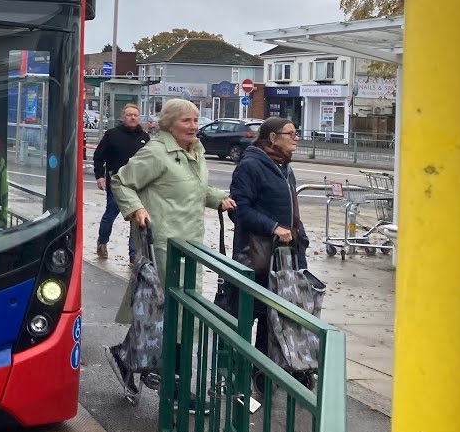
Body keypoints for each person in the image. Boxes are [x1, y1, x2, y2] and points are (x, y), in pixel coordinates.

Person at [105, 98, 236, 397]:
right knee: (174, 312)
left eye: (195, 120)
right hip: (164, 243)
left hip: (190, 243)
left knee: (169, 311)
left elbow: (194, 189)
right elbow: (121, 182)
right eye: (186, 121)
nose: (193, 126)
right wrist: (136, 209)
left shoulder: (196, 150)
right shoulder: (157, 152)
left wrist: (218, 198)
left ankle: (128, 358)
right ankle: (174, 384)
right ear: (169, 124)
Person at [227, 117, 308, 390]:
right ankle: (232, 372)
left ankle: (264, 371)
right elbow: (240, 210)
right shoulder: (251, 166)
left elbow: (290, 208)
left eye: (296, 133)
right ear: (272, 138)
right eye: (290, 133)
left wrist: (300, 238)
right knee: (247, 313)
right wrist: (273, 227)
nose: (295, 138)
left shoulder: (284, 167)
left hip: (283, 255)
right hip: (255, 255)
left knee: (274, 314)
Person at [92, 103, 151, 261]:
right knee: (110, 215)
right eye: (129, 115)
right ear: (122, 117)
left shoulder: (144, 138)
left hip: (138, 186)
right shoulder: (112, 135)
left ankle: (133, 255)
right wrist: (100, 176)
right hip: (117, 185)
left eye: (135, 115)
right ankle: (102, 242)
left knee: (136, 220)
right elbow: (99, 156)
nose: (132, 117)